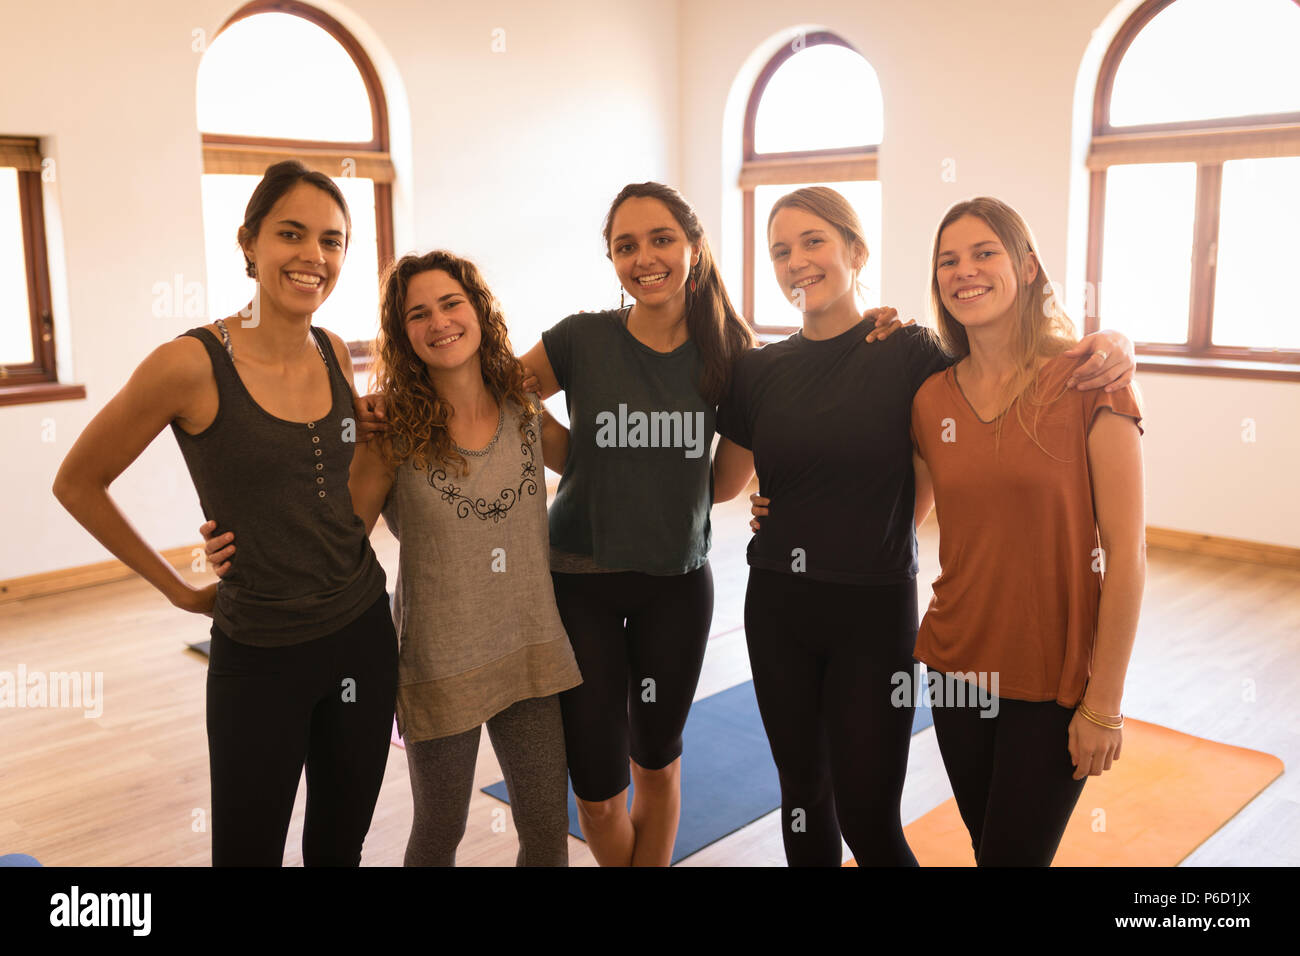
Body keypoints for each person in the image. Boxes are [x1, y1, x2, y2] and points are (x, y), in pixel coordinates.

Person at [730, 186, 1134, 866]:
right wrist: (777, 502)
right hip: (788, 605)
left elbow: (998, 379)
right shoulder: (766, 370)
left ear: (857, 252)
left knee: (870, 816)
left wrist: (1114, 340)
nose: (797, 261)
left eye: (813, 242)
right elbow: (739, 477)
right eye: (780, 250)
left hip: (877, 610)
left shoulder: (911, 352)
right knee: (802, 797)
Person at [52, 160, 396, 866]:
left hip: (362, 630)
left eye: (332, 242)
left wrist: (382, 456)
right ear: (249, 242)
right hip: (261, 653)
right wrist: (178, 589)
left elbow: (346, 510)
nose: (314, 257)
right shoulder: (190, 364)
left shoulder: (333, 351)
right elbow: (78, 481)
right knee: (245, 854)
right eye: (291, 234)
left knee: (341, 847)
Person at [205, 249, 583, 866]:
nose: (439, 323)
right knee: (441, 831)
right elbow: (332, 533)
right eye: (418, 314)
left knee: (545, 833)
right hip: (440, 662)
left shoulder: (523, 406)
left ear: (479, 310)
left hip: (532, 648)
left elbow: (596, 473)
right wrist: (240, 539)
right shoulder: (390, 432)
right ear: (403, 335)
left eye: (451, 303)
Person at [908, 196, 1143, 865]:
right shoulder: (930, 398)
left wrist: (1105, 703)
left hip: (1054, 677)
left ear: (1028, 266)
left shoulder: (1091, 380)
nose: (965, 271)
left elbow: (1128, 555)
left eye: (985, 252)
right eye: (948, 260)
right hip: (954, 667)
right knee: (992, 851)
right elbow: (899, 514)